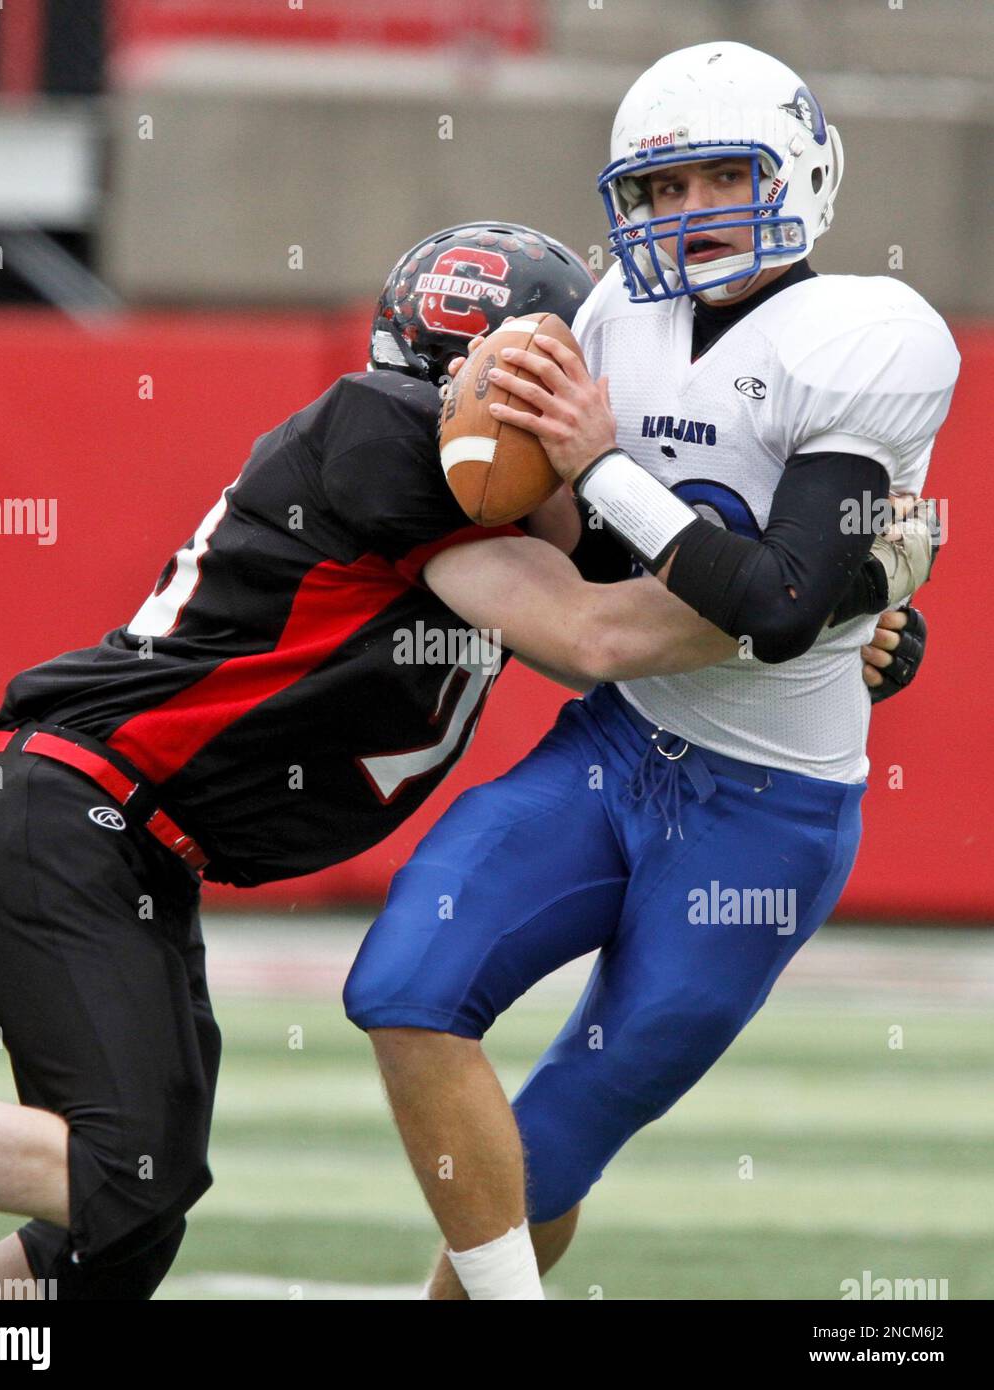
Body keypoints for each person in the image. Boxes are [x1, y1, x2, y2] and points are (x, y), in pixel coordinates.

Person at [0, 220, 909, 1302]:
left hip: (127, 845)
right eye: (542, 384)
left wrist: (838, 624)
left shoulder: (489, 501)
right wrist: (836, 595)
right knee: (127, 1175)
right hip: (70, 813)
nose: (573, 426)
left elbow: (657, 619)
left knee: (123, 1229)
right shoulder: (389, 429)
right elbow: (600, 637)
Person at [342, 42, 959, 1300]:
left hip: (768, 817)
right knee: (401, 983)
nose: (692, 213)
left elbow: (781, 601)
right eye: (664, 189)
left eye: (723, 176)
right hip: (619, 742)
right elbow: (648, 553)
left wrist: (606, 460)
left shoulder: (873, 334)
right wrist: (867, 603)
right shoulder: (613, 312)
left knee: (556, 1146)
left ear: (802, 170)